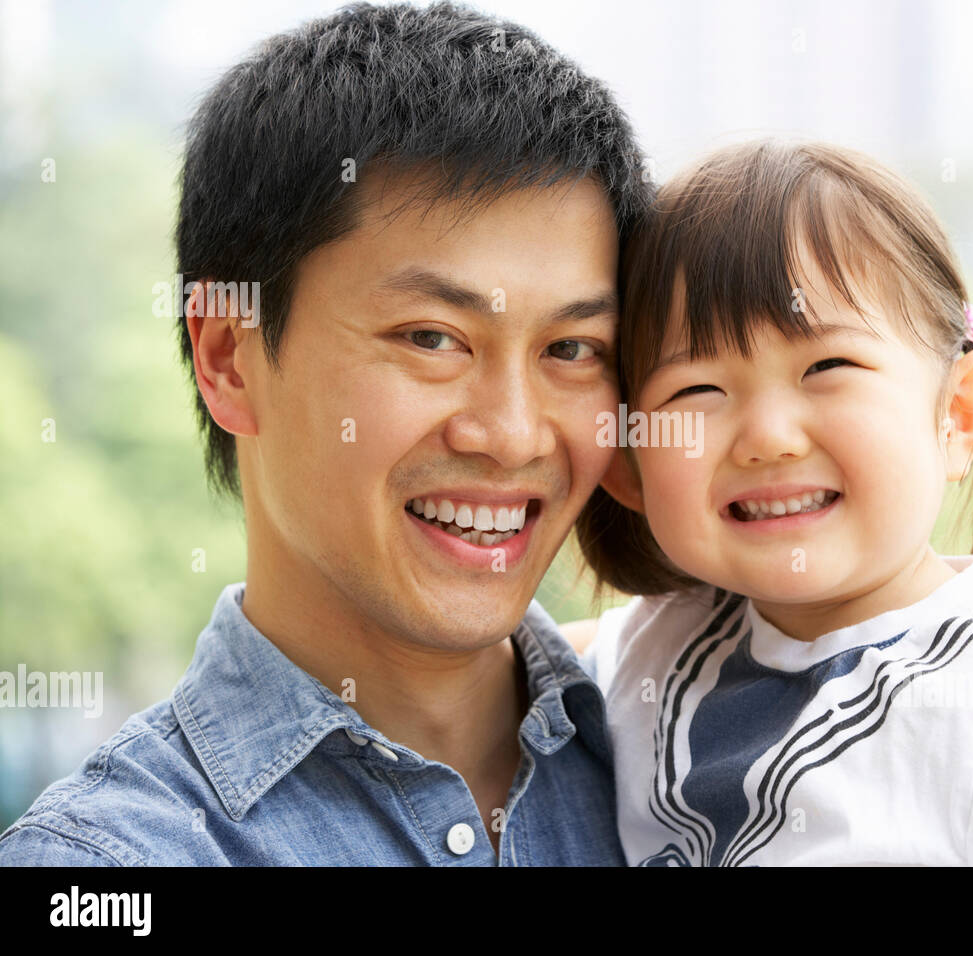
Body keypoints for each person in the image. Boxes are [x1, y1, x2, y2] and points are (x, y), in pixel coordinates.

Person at [0, 1, 652, 866]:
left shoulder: (702, 758)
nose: (512, 434)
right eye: (431, 339)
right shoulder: (111, 865)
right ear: (230, 356)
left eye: (571, 349)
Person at [566, 139, 973, 866]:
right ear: (627, 466)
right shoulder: (655, 650)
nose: (767, 437)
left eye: (828, 367)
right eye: (697, 391)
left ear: (958, 414)